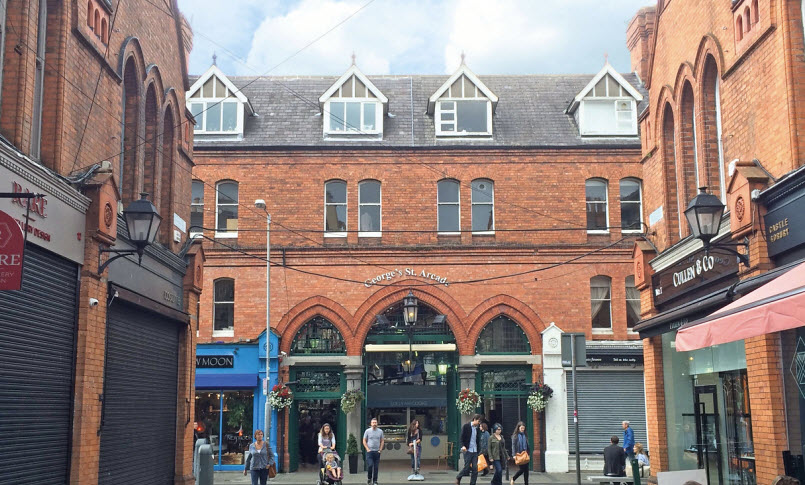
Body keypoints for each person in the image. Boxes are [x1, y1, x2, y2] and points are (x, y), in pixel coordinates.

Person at [456, 414, 482, 485]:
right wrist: (463, 446)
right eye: (478, 421)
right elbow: (461, 438)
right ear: (475, 419)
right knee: (467, 468)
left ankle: (473, 483)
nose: (479, 423)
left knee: (475, 469)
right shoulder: (466, 426)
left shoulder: (477, 429)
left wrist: (479, 449)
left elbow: (477, 439)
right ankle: (458, 477)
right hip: (468, 450)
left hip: (475, 450)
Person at [363, 417, 384, 485]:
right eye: (373, 423)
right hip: (370, 452)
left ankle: (375, 481)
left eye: (375, 422)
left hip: (377, 451)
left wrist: (380, 449)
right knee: (370, 465)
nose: (374, 424)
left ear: (377, 423)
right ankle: (369, 478)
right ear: (371, 424)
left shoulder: (380, 431)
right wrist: (367, 449)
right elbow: (364, 440)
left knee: (376, 467)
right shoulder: (367, 431)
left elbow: (382, 441)